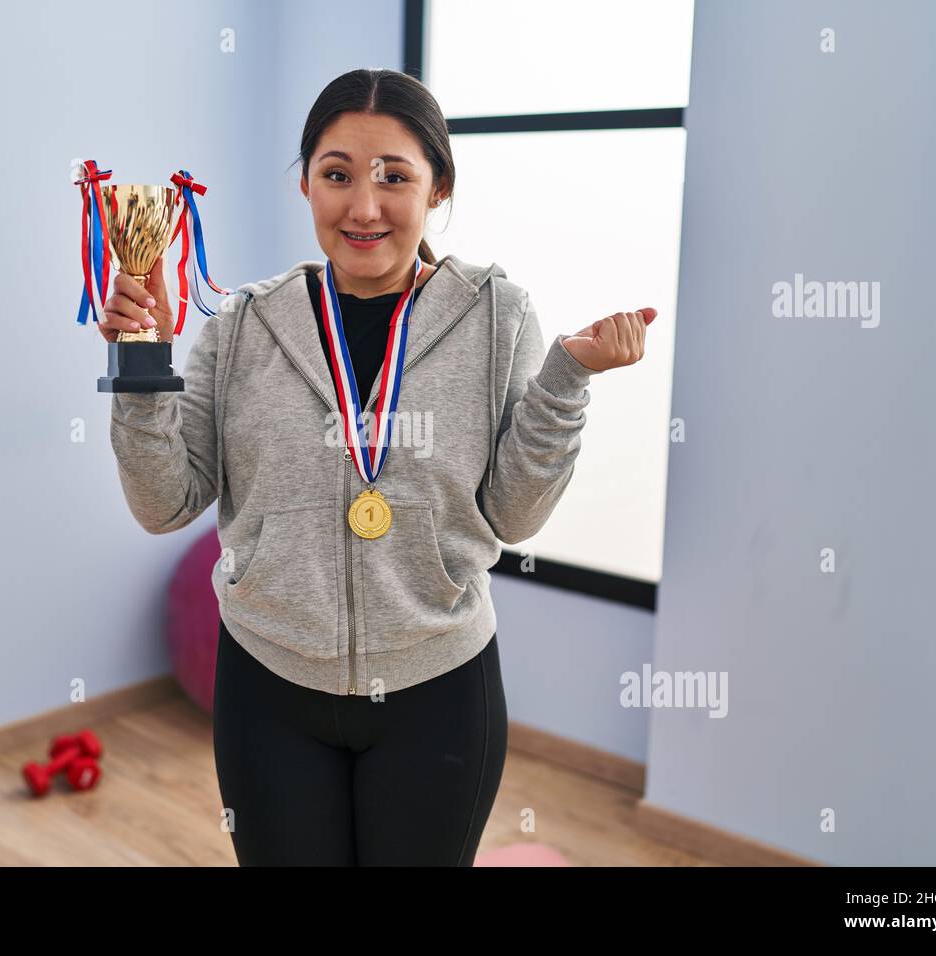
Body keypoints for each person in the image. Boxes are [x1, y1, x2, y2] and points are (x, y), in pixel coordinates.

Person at [104, 69, 654, 866]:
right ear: (306, 186)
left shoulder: (499, 316)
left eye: (394, 176)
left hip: (439, 694)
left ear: (439, 189)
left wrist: (565, 380)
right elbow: (163, 504)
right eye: (337, 175)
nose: (363, 207)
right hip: (268, 692)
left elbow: (514, 517)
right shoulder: (242, 327)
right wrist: (140, 358)